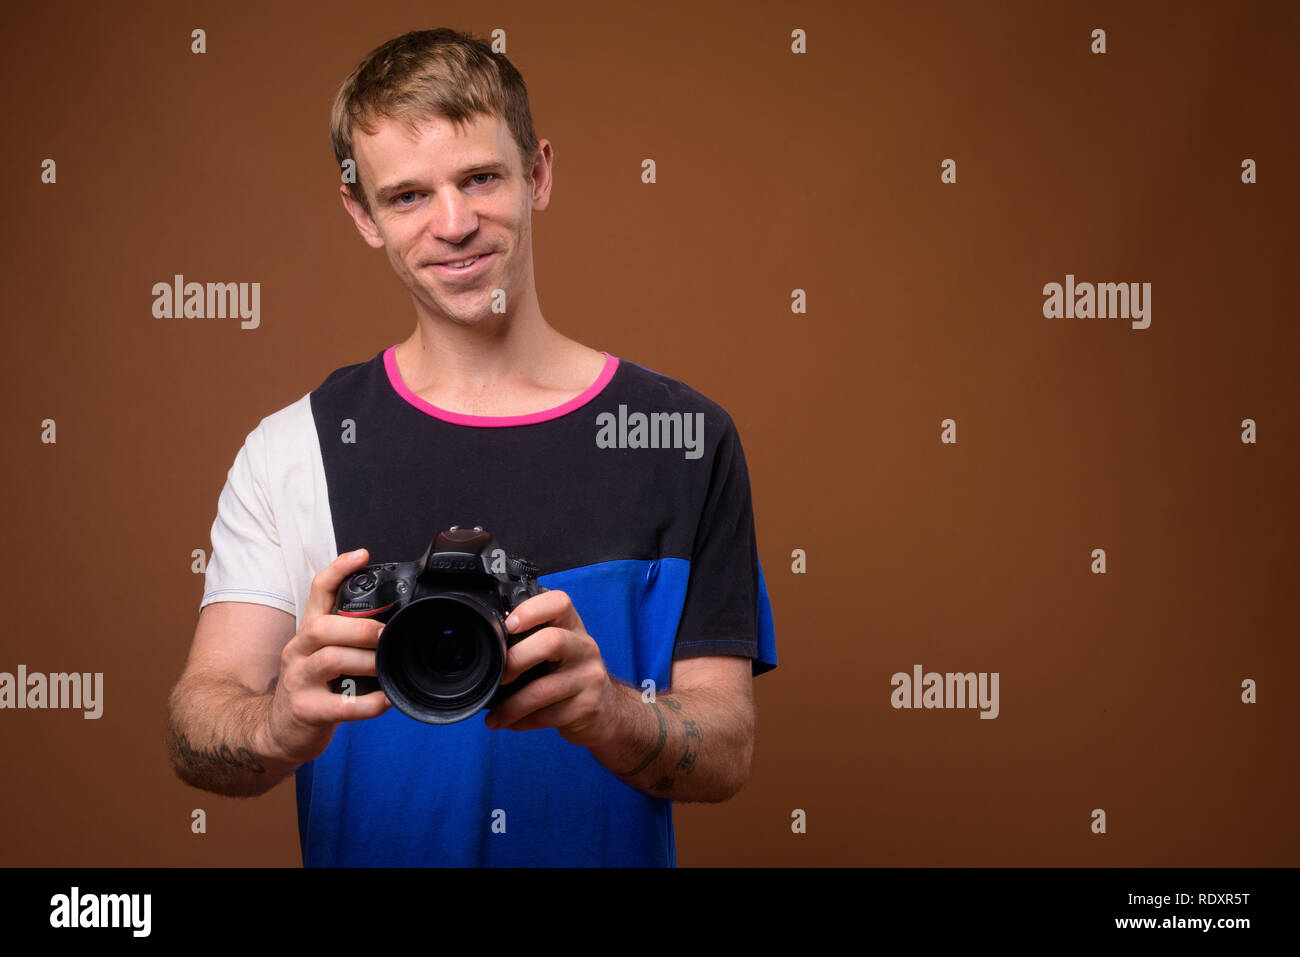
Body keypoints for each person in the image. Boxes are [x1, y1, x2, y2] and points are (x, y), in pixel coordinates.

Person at [166, 27, 776, 866]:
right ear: (363, 215)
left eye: (481, 178)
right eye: (408, 195)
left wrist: (606, 708)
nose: (453, 224)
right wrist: (278, 720)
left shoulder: (685, 439)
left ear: (540, 173)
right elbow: (200, 724)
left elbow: (728, 751)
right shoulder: (292, 448)